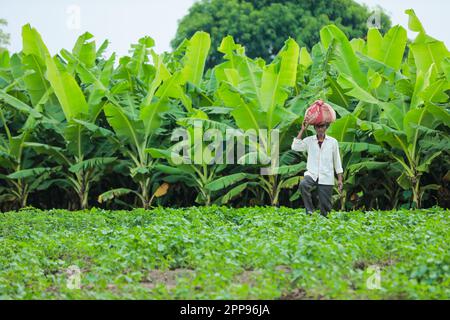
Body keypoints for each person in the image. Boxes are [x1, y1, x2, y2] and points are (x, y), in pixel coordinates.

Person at [291, 119, 343, 217]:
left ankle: (324, 221)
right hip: (312, 174)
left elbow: (337, 161)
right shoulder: (309, 140)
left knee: (326, 209)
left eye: (322, 126)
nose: (320, 129)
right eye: (318, 127)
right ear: (314, 128)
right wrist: (302, 129)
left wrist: (340, 179)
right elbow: (295, 147)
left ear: (326, 127)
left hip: (326, 176)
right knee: (303, 185)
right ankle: (310, 211)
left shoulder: (333, 142)